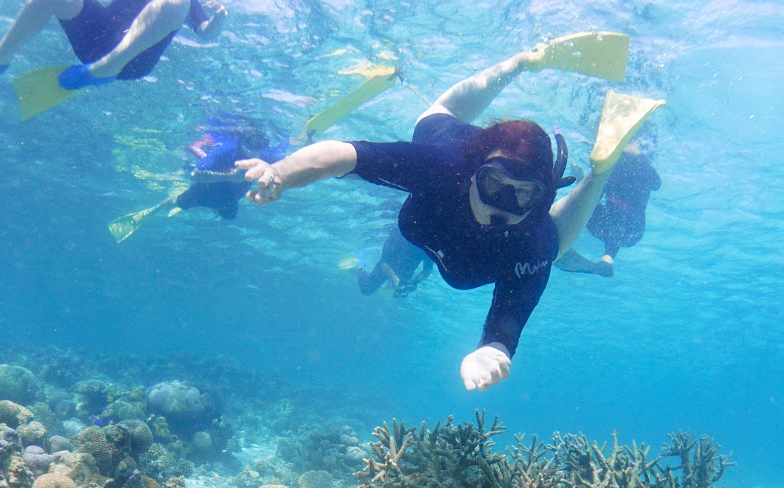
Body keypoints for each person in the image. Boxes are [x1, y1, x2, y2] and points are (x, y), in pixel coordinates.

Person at [235, 48, 656, 391]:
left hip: (502, 238)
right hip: (450, 149)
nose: (503, 207)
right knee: (433, 118)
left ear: (541, 195)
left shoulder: (529, 234)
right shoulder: (441, 165)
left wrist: (493, 351)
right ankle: (520, 62)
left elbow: (510, 316)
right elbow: (344, 155)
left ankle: (602, 168)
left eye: (524, 195)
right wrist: (283, 173)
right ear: (474, 174)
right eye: (494, 186)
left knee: (556, 242)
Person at [0, 0, 225, 87]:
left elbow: (207, 34)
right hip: (96, 43)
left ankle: (104, 69)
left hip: (131, 61)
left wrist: (220, 17)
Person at [555, 149, 659, 277]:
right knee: (585, 204)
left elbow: (656, 183)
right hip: (608, 226)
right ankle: (555, 230)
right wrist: (581, 179)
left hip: (631, 230)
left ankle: (607, 261)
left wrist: (639, 163)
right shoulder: (611, 170)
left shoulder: (638, 169)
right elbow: (591, 198)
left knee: (618, 214)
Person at [173, 113, 283, 220]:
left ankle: (214, 207)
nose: (256, 149)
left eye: (262, 143)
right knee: (180, 202)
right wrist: (228, 176)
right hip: (208, 188)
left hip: (230, 195)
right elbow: (195, 175)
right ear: (242, 140)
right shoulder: (227, 150)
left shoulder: (265, 155)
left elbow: (288, 161)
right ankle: (172, 200)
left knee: (229, 216)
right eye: (253, 142)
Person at [356, 228, 434, 297]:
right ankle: (360, 266)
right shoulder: (397, 236)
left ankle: (390, 285)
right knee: (367, 289)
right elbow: (384, 263)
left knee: (401, 292)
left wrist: (415, 281)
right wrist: (394, 278)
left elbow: (427, 269)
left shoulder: (427, 246)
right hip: (385, 268)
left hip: (405, 272)